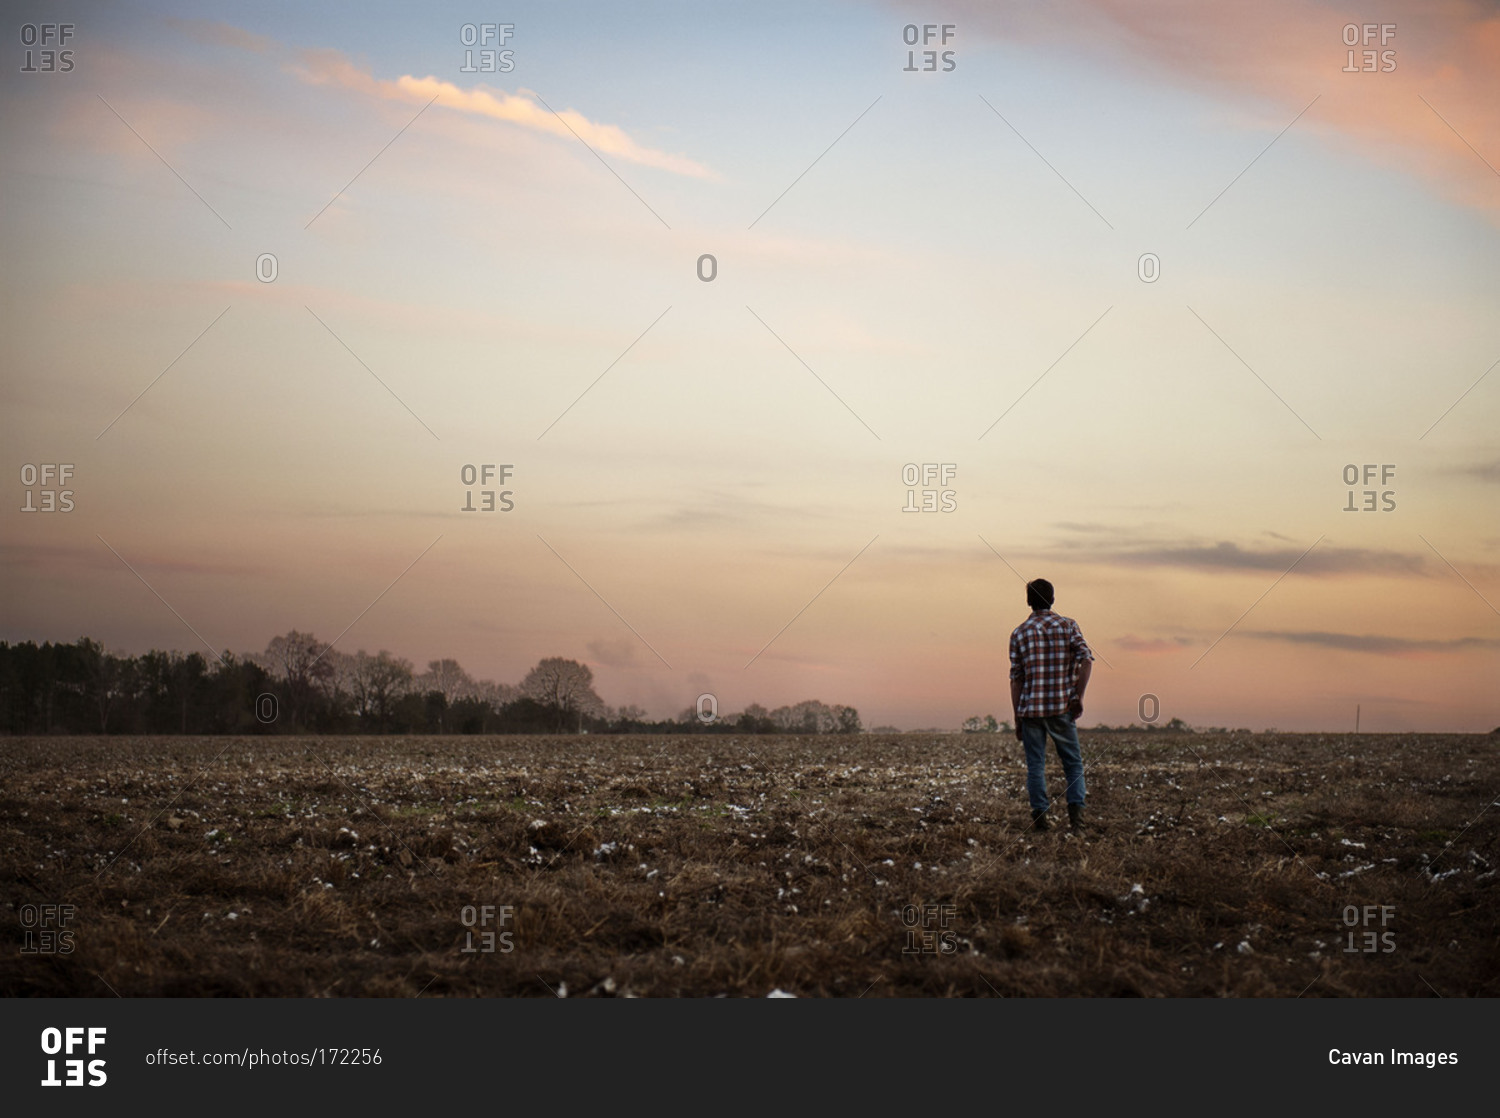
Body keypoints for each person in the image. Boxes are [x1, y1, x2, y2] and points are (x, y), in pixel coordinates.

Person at [1009, 578, 1093, 832]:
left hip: (1031, 710)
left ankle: (1040, 818)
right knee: (1073, 764)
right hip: (1061, 708)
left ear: (1028, 602)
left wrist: (1017, 717)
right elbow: (1087, 660)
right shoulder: (1068, 626)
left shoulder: (1019, 633)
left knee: (1036, 765)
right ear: (1053, 599)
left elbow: (1016, 679)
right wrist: (1078, 696)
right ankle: (1076, 820)